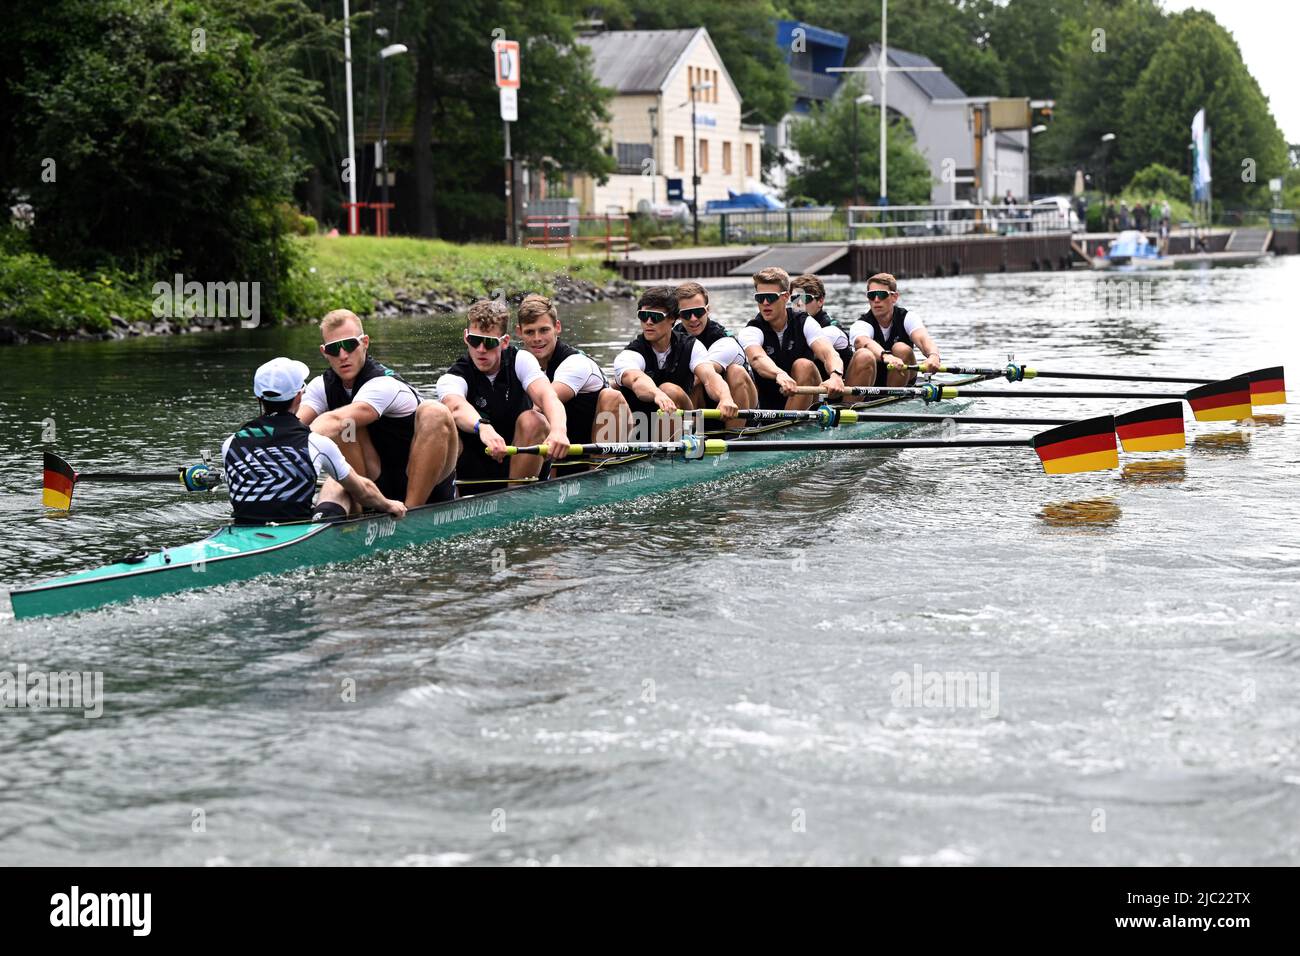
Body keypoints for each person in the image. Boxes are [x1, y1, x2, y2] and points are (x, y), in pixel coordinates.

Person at [299, 309, 458, 514]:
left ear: (364, 342)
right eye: (333, 349)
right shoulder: (320, 386)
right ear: (324, 352)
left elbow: (333, 420)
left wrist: (295, 438)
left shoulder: (383, 383)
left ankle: (412, 511)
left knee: (434, 411)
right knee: (344, 428)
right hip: (375, 481)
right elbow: (294, 423)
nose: (343, 355)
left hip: (424, 480)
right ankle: (354, 513)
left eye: (349, 345)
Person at [223, 357, 406, 524]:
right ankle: (341, 531)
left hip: (242, 526)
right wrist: (389, 505)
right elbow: (363, 492)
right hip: (297, 531)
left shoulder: (230, 443)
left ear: (258, 397)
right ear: (299, 395)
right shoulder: (316, 443)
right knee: (339, 481)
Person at [437, 299, 571, 494]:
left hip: (521, 464)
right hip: (475, 469)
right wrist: (483, 427)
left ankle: (516, 498)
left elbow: (547, 396)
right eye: (475, 340)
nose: (481, 349)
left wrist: (559, 430)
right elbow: (455, 406)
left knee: (534, 420)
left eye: (490, 342)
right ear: (466, 337)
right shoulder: (454, 376)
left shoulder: (521, 361)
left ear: (505, 342)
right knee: (442, 422)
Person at [613, 286, 740, 438]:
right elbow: (635, 378)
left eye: (656, 317)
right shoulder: (631, 353)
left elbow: (710, 377)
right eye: (643, 316)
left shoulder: (691, 346)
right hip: (641, 426)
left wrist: (725, 397)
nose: (648, 322)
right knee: (611, 390)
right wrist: (656, 394)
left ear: (672, 318)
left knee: (670, 390)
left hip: (683, 422)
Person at [515, 293, 629, 443]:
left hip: (595, 444)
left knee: (610, 396)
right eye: (530, 332)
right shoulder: (517, 362)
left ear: (557, 327)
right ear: (519, 332)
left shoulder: (575, 364)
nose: (537, 338)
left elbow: (543, 403)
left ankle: (602, 464)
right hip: (562, 446)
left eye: (544, 330)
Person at [736, 266, 845, 411]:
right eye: (760, 298)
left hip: (808, 399)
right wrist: (779, 374)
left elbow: (828, 353)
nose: (765, 303)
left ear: (786, 297)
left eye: (771, 297)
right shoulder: (751, 330)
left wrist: (836, 375)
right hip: (768, 406)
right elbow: (756, 358)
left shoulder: (805, 322)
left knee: (803, 365)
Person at [673, 281, 755, 430]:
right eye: (686, 314)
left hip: (736, 408)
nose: (693, 318)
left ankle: (734, 438)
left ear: (707, 310)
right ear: (678, 316)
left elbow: (703, 376)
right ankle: (690, 436)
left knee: (735, 371)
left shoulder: (723, 339)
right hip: (704, 407)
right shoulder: (672, 338)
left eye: (698, 312)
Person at [845, 273, 942, 389]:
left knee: (901, 348)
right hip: (871, 380)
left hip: (904, 376)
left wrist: (933, 356)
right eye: (871, 295)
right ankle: (851, 404)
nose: (876, 300)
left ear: (894, 297)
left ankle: (894, 397)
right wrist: (886, 357)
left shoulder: (908, 317)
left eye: (881, 295)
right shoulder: (861, 324)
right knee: (864, 354)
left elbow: (922, 339)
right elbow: (863, 342)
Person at [790, 274, 854, 385]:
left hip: (835, 390)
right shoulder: (790, 326)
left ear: (820, 301)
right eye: (795, 299)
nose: (799, 304)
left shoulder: (832, 328)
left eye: (805, 298)